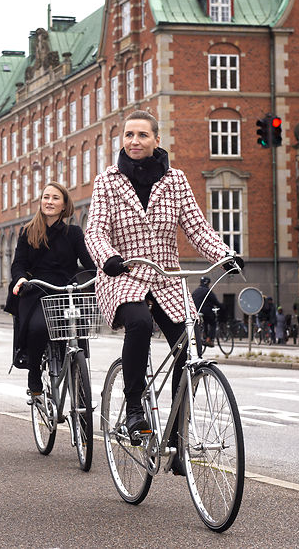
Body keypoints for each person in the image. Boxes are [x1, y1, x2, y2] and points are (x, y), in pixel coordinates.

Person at [85, 110, 240, 475]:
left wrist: (225, 255)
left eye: (142, 135)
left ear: (157, 140)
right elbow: (94, 231)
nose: (134, 141)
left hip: (167, 277)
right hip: (123, 275)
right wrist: (108, 258)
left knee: (190, 345)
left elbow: (197, 227)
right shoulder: (107, 181)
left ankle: (177, 437)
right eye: (128, 135)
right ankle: (135, 406)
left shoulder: (176, 180)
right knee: (138, 324)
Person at [6, 182, 95, 398]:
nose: (49, 202)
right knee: (37, 328)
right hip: (37, 290)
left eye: (55, 198)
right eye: (46, 197)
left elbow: (88, 262)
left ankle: (77, 371)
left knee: (77, 330)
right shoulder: (28, 231)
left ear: (64, 205)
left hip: (66, 291)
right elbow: (19, 263)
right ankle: (34, 372)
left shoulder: (73, 233)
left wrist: (100, 274)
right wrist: (19, 279)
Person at [191, 276, 222, 346]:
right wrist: (221, 307)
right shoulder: (208, 291)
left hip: (196, 311)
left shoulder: (196, 291)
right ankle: (209, 339)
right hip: (206, 311)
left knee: (205, 322)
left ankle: (204, 336)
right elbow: (215, 301)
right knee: (213, 323)